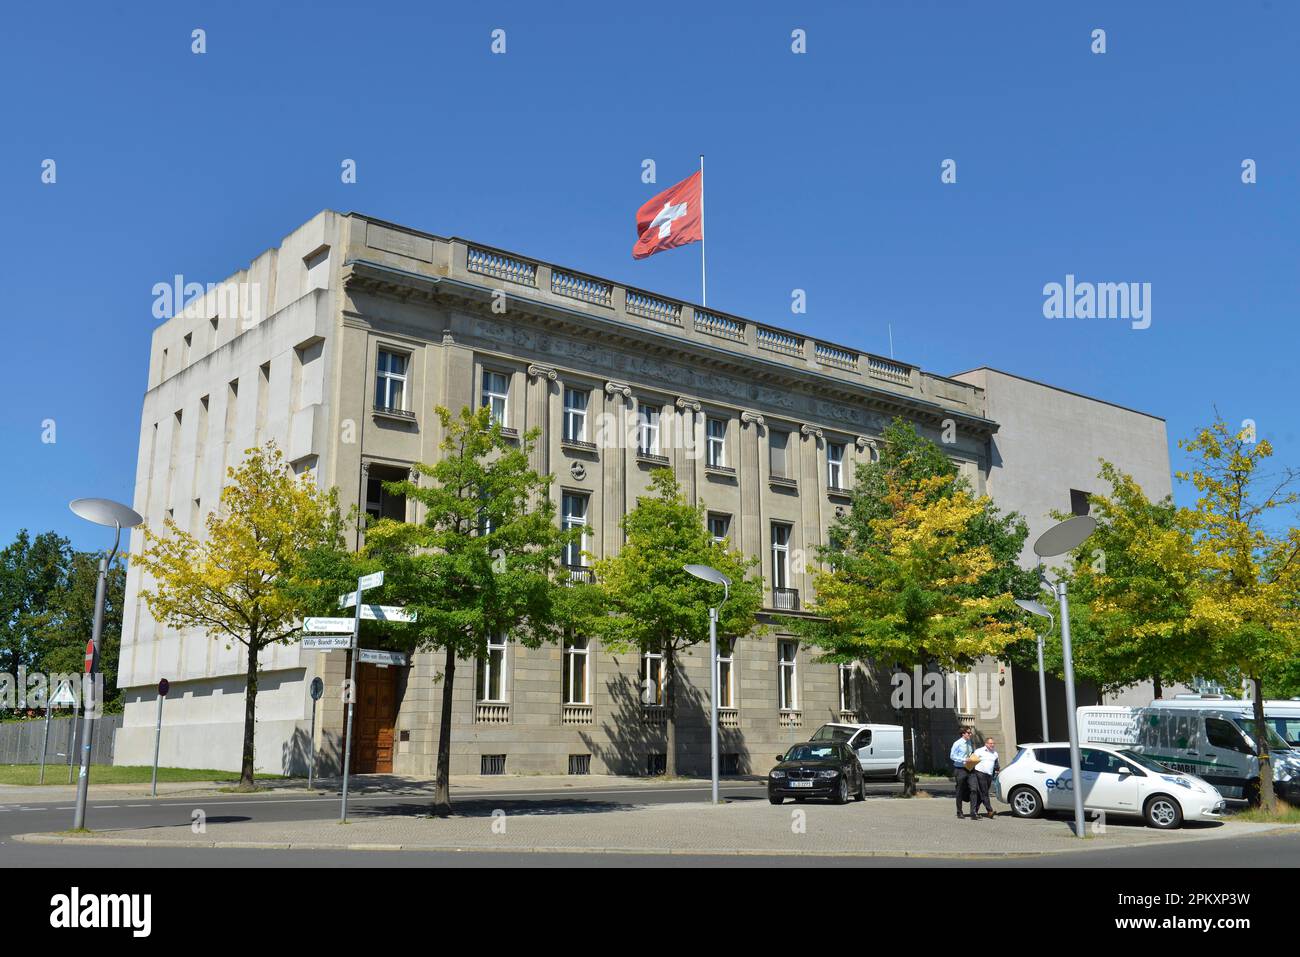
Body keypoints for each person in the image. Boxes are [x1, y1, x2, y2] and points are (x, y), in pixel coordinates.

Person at [969, 736, 1001, 819]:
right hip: (980, 773)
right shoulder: (979, 751)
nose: (992, 745)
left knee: (981, 794)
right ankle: (990, 810)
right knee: (985, 792)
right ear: (986, 744)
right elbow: (971, 761)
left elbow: (996, 765)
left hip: (989, 775)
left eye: (993, 743)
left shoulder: (995, 753)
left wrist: (997, 771)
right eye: (990, 743)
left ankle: (974, 811)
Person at [949, 727, 975, 818]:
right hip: (960, 769)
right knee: (959, 791)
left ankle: (973, 812)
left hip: (970, 769)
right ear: (963, 734)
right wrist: (964, 759)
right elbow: (952, 756)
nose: (970, 734)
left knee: (974, 789)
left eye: (970, 733)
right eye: (968, 733)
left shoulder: (969, 742)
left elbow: (970, 753)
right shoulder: (957, 743)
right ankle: (959, 812)